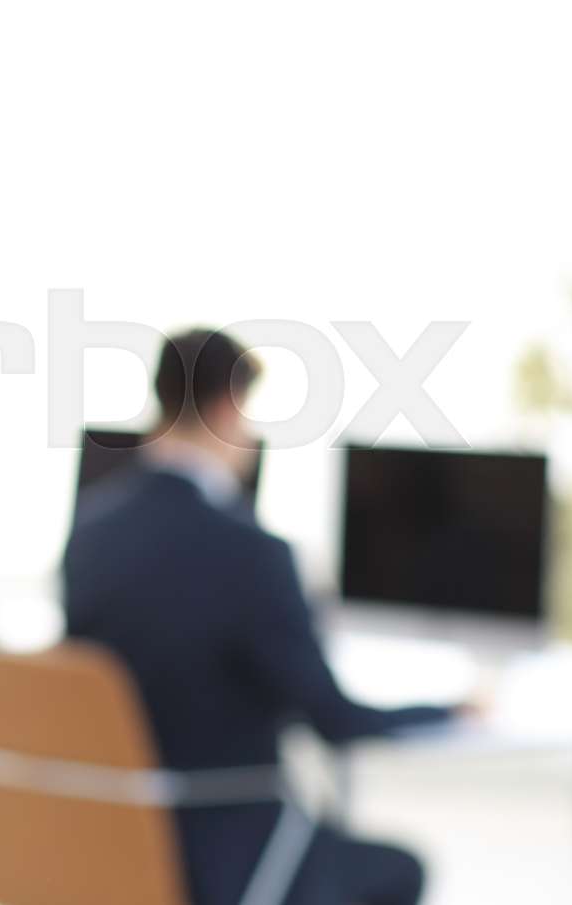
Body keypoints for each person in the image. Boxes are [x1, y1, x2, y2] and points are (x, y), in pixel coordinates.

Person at [63, 328, 462, 905]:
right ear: (230, 408)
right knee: (400, 869)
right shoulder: (253, 554)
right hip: (229, 857)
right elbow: (336, 721)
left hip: (112, 847)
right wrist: (447, 709)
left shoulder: (89, 535)